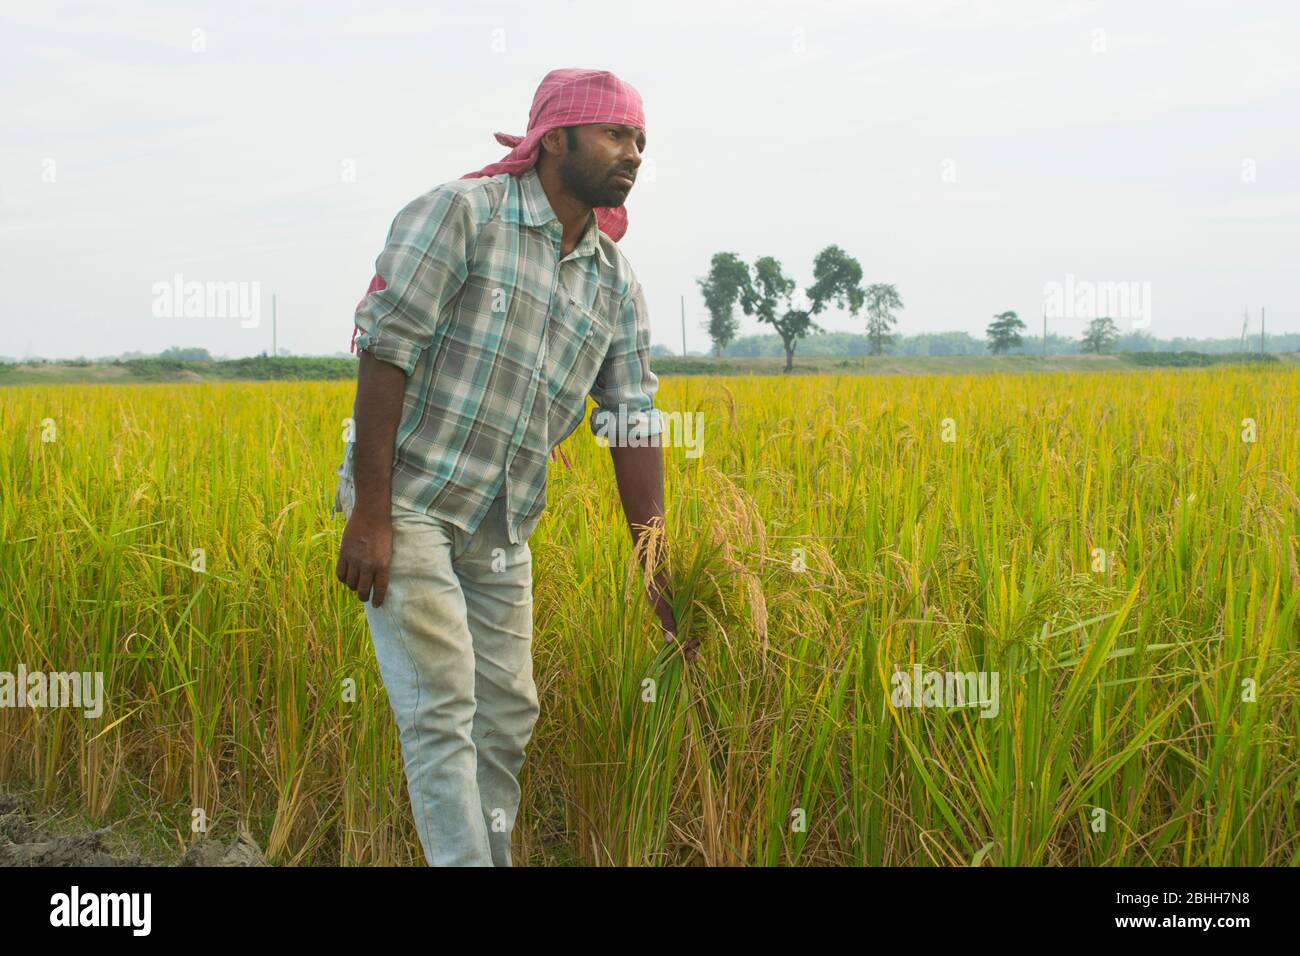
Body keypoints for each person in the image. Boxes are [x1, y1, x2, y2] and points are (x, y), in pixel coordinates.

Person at [333, 68, 686, 867]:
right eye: (614, 134)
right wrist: (371, 512)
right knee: (443, 705)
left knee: (507, 712)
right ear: (553, 138)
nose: (631, 153)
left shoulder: (612, 282)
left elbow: (630, 420)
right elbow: (386, 349)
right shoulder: (464, 214)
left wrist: (657, 568)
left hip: (503, 522)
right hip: (413, 501)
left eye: (639, 141)